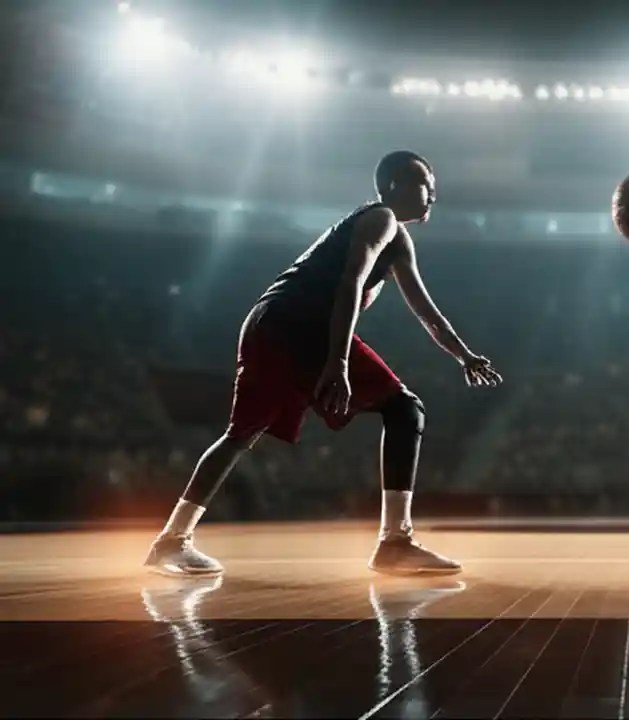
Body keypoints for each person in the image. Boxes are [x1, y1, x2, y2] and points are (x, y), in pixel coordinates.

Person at [144, 151, 502, 578]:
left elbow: (427, 313)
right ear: (395, 185)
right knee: (405, 409)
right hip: (297, 324)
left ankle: (171, 542)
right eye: (426, 183)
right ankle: (395, 544)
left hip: (270, 323)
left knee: (240, 435)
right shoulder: (380, 219)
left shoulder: (397, 240)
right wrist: (339, 362)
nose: (434, 195)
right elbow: (349, 283)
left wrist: (465, 355)